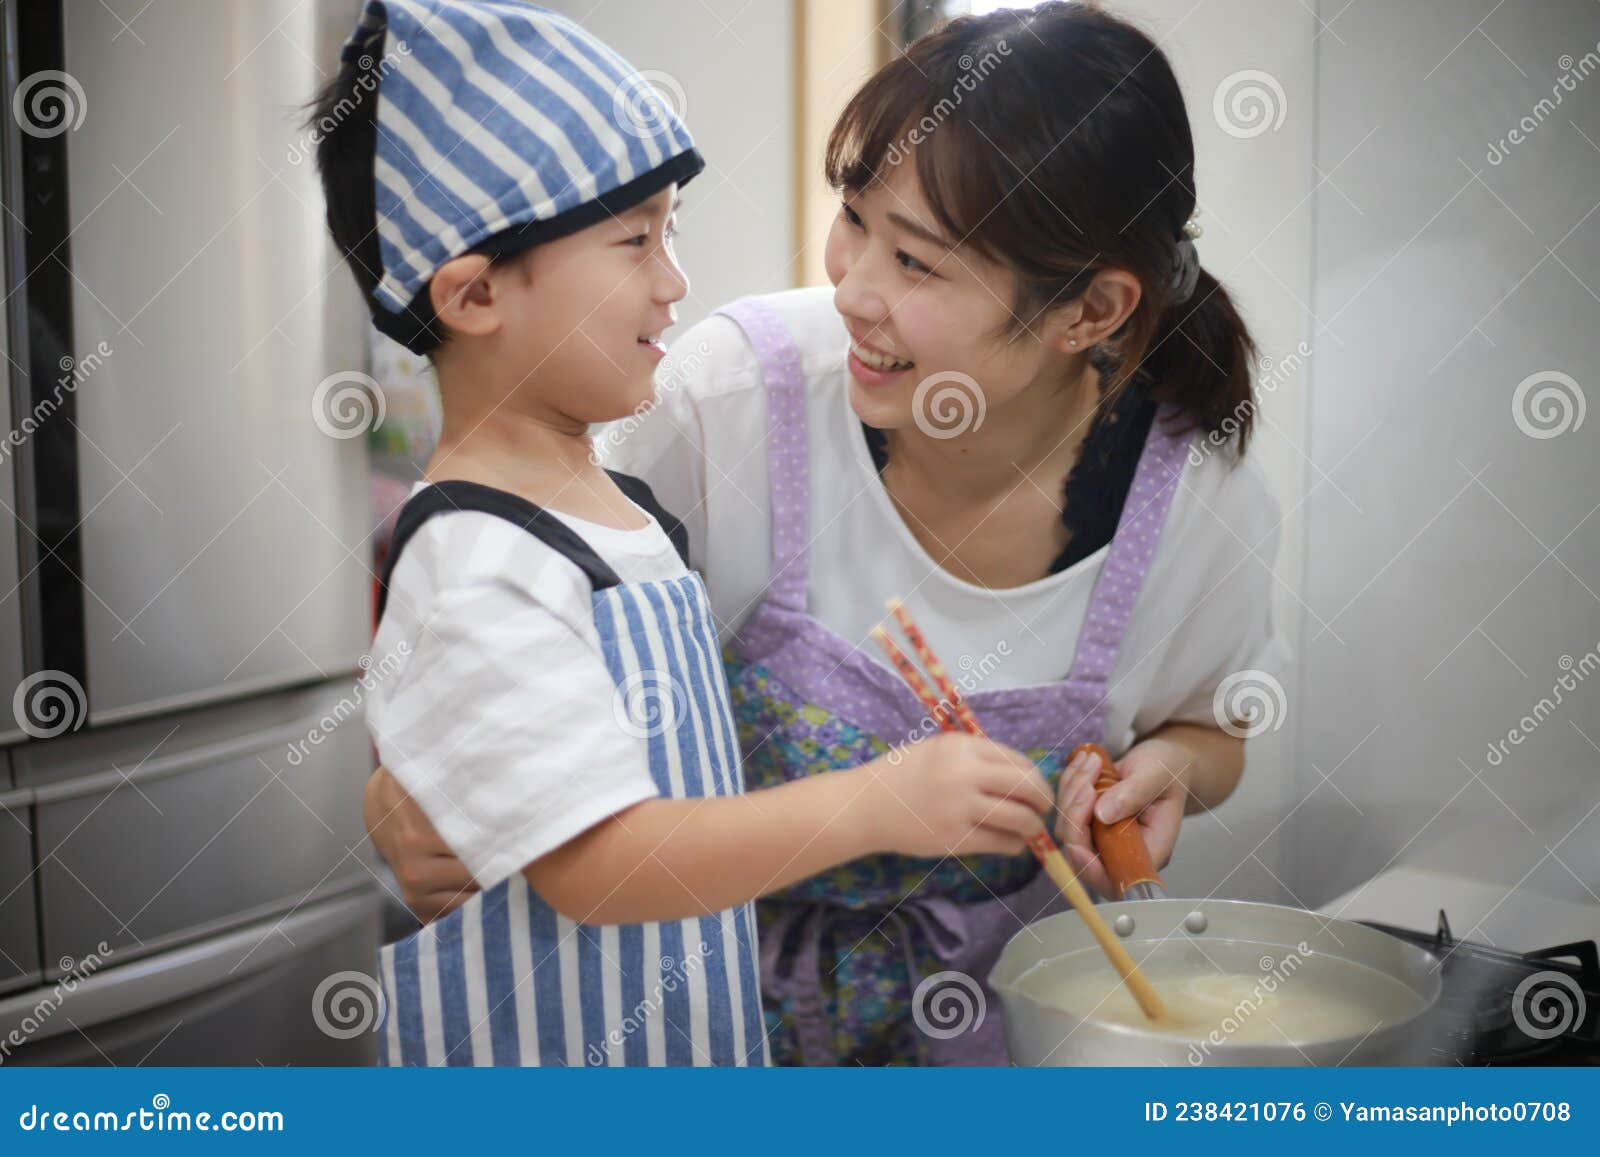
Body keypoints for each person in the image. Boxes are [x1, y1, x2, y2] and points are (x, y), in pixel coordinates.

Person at [364, 1, 1290, 1065]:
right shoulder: (728, 399)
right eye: (854, 218)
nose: (851, 288)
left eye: (917, 263)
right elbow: (497, 640)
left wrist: (1168, 768)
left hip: (996, 1044)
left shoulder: (1198, 503)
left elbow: (1211, 729)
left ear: (1090, 311)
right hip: (696, 1025)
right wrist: (403, 799)